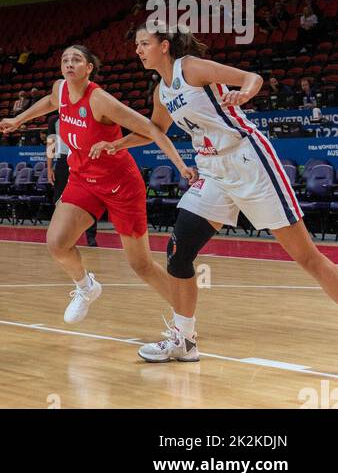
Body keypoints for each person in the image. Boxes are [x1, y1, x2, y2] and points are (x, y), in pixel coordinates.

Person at [115, 22, 338, 362]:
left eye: (144, 43)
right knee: (178, 251)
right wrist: (114, 145)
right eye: (136, 45)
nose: (138, 50)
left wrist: (245, 92)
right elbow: (155, 131)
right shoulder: (162, 90)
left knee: (307, 257)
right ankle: (185, 342)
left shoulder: (189, 66)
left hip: (248, 160)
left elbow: (252, 78)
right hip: (213, 171)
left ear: (164, 45)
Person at [0, 44, 193, 325]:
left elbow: (152, 129)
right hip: (82, 179)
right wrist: (18, 119)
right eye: (65, 59)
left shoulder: (100, 100)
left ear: (89, 68)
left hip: (120, 185)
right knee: (57, 243)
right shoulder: (61, 89)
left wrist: (178, 164)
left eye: (76, 60)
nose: (69, 63)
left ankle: (185, 316)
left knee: (141, 265)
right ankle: (86, 287)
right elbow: (50, 102)